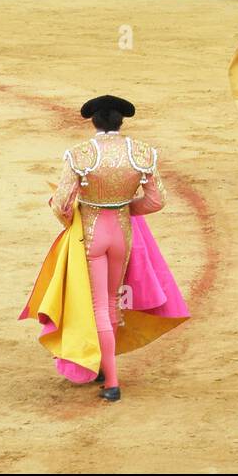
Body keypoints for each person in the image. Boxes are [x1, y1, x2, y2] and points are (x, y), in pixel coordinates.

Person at [23, 95, 187, 402]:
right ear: (120, 122)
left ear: (94, 122)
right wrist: (124, 209)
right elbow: (156, 201)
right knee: (111, 302)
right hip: (122, 232)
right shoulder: (141, 152)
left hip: (92, 232)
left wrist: (74, 220)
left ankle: (110, 380)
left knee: (97, 305)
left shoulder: (81, 154)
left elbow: (61, 204)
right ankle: (103, 366)